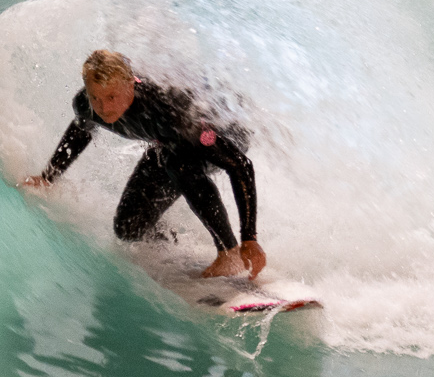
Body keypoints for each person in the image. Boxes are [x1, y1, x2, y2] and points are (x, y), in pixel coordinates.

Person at [19, 50, 267, 279]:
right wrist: (48, 177)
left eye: (111, 97)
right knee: (128, 227)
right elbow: (80, 132)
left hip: (225, 131)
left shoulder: (167, 111)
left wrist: (249, 238)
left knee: (178, 162)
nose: (103, 107)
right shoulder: (87, 105)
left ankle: (229, 253)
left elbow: (240, 165)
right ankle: (171, 241)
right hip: (171, 143)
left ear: (130, 85)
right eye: (95, 97)